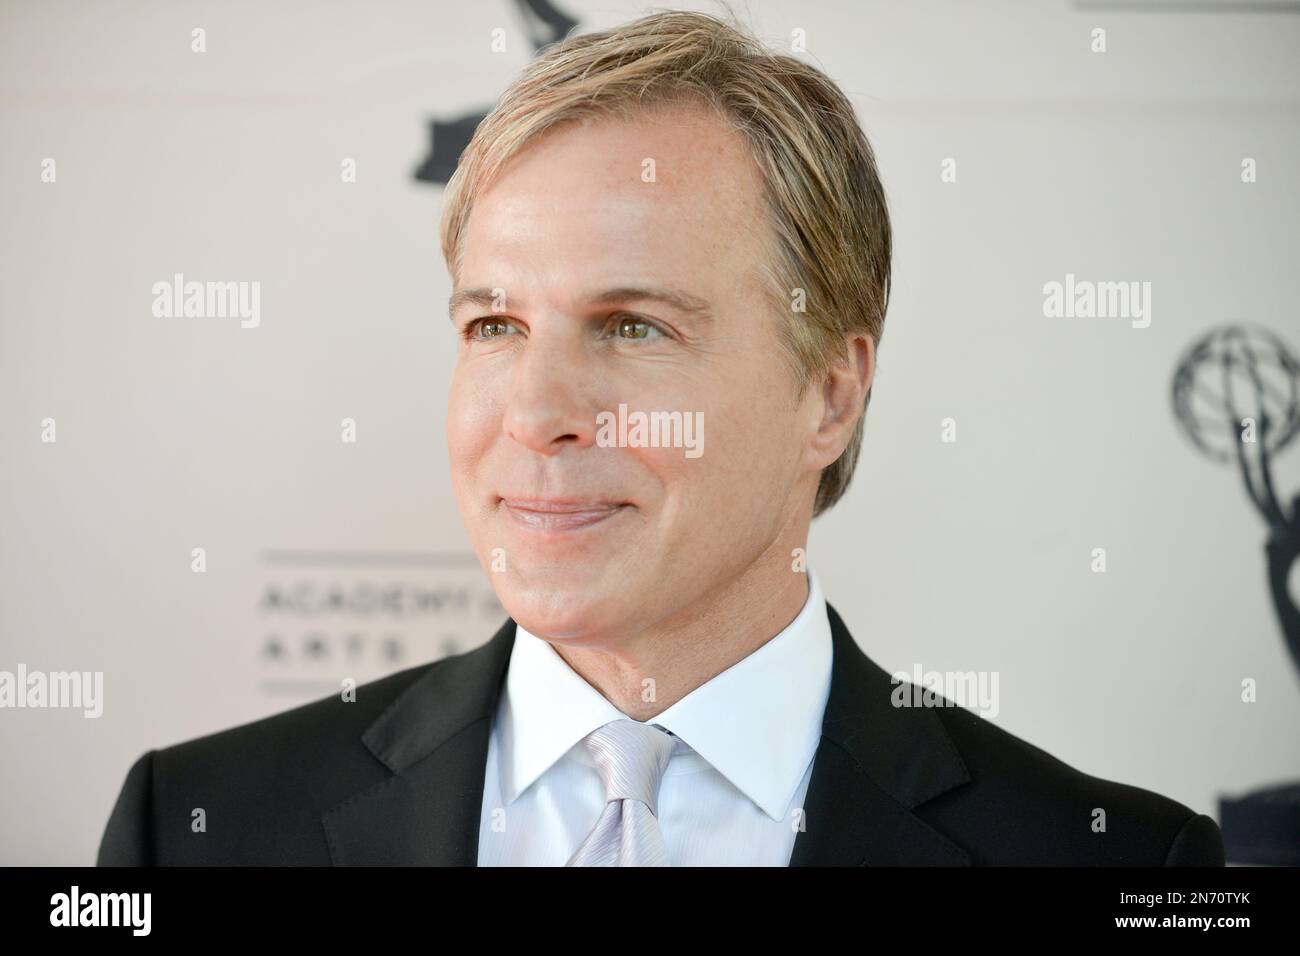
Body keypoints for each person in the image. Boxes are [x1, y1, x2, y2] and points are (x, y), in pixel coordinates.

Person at [97, 10, 1224, 866]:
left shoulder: (1110, 859)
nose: (536, 413)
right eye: (494, 323)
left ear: (830, 394)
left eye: (632, 325)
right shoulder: (200, 826)